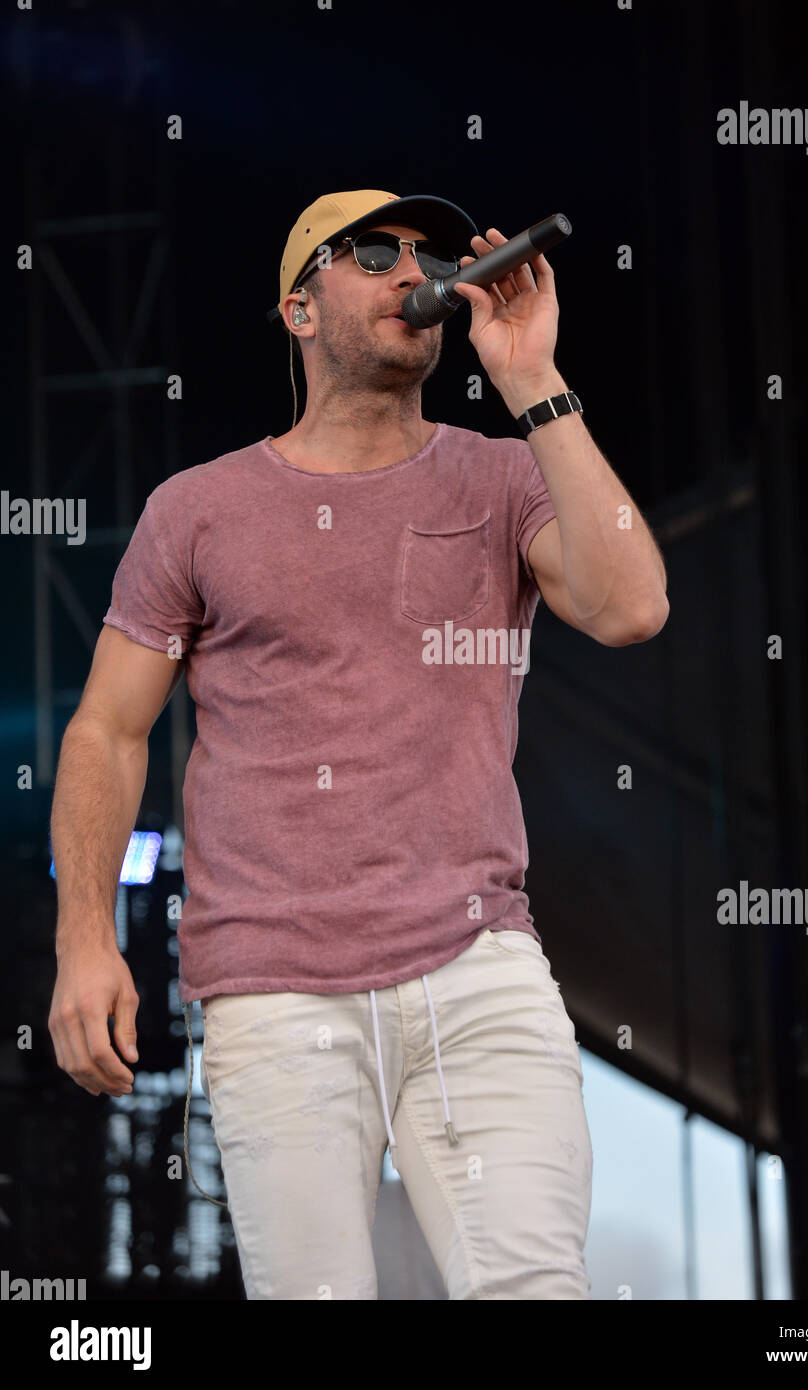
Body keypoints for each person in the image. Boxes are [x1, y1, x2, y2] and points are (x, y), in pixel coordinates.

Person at [47, 189, 670, 1300]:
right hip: (273, 983)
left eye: (424, 255)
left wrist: (533, 381)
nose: (410, 272)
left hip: (478, 960)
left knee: (536, 1287)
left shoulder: (499, 475)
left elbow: (631, 607)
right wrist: (85, 937)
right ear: (300, 309)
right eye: (371, 254)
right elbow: (106, 728)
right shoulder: (198, 508)